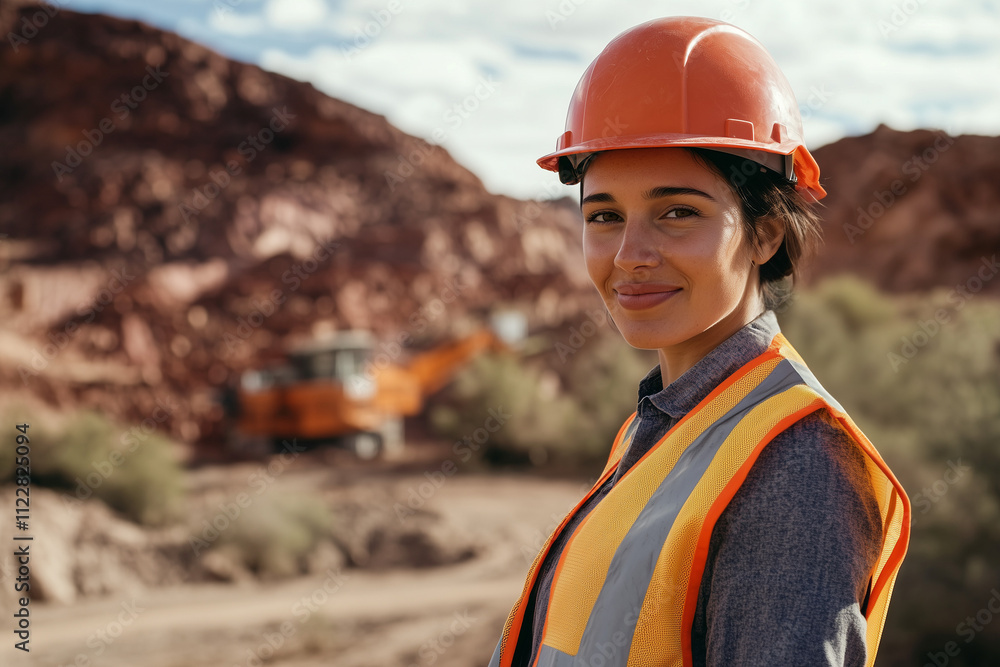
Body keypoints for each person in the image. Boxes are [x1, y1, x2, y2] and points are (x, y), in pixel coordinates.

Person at [488, 16, 910, 667]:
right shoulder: (658, 426)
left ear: (766, 233)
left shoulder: (793, 458)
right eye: (604, 216)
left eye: (677, 212)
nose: (630, 255)